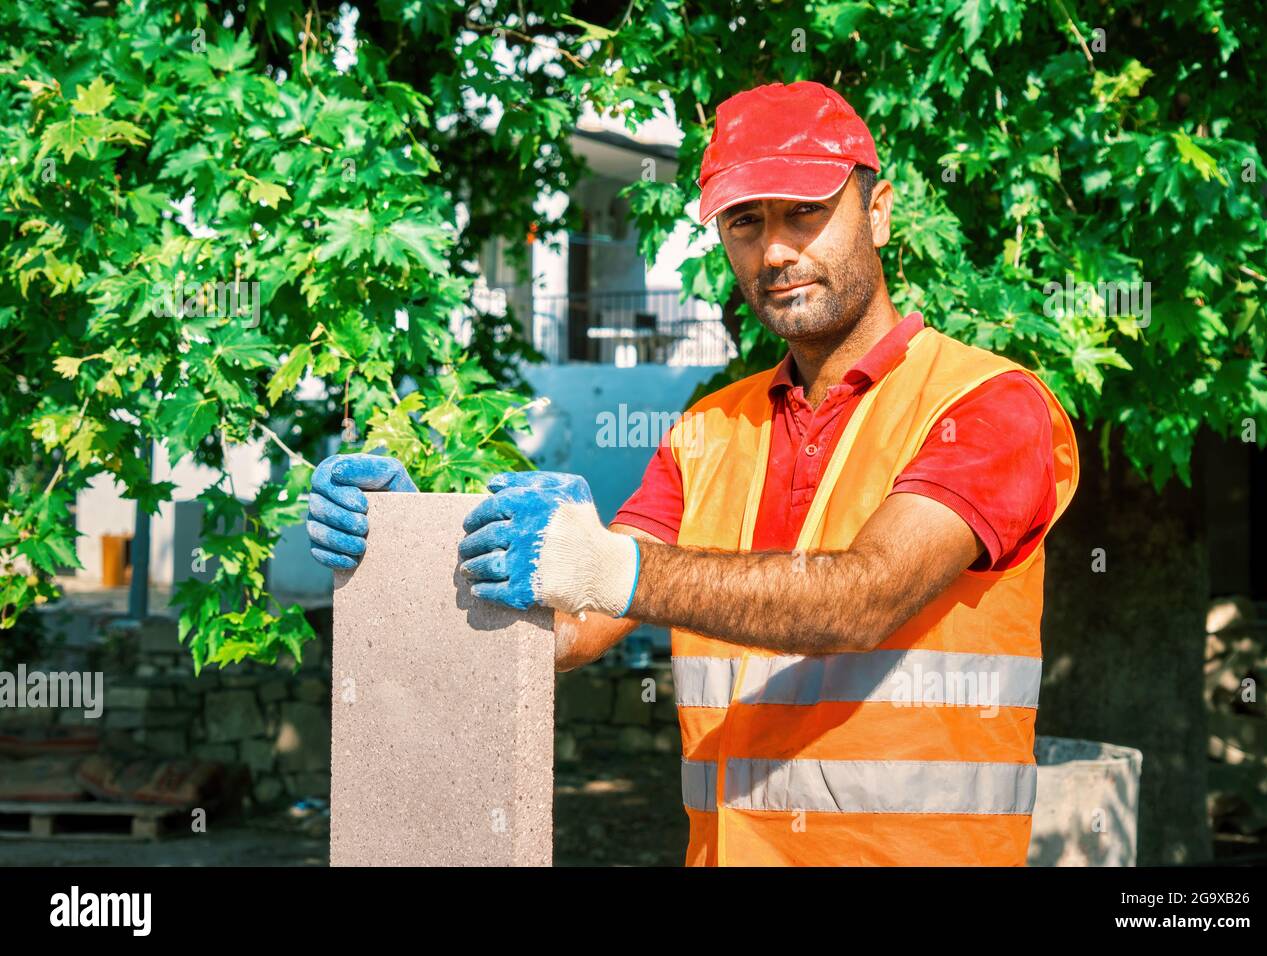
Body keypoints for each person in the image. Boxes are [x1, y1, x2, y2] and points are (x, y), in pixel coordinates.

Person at [307, 80, 1080, 866]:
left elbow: (863, 600)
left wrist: (610, 564)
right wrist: (419, 556)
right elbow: (572, 633)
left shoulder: (987, 405)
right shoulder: (707, 430)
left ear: (878, 210)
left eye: (805, 211)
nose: (775, 251)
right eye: (745, 222)